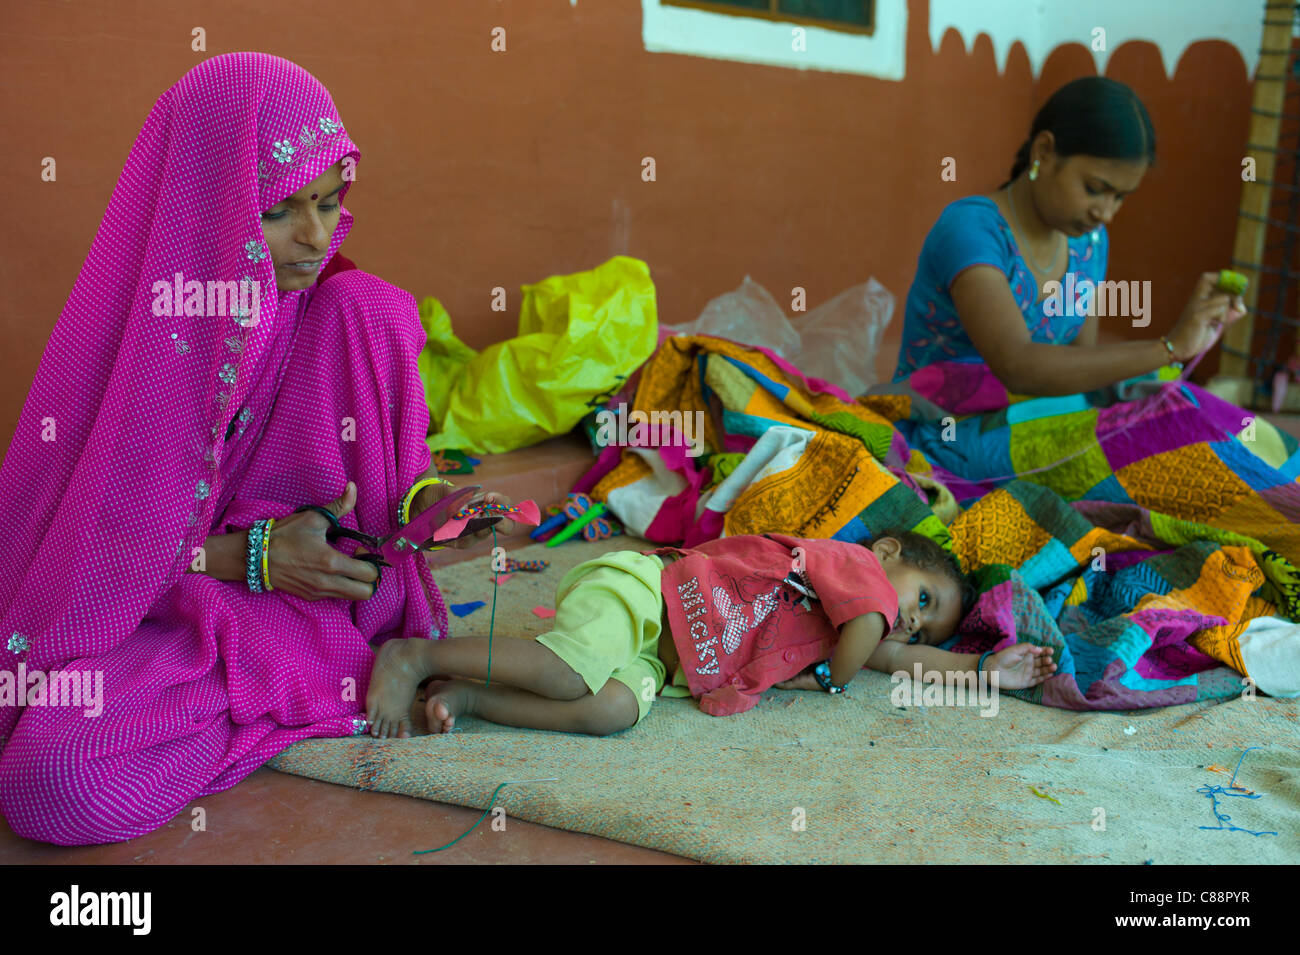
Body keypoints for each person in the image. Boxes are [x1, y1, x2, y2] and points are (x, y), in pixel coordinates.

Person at [0, 52, 506, 846]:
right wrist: (250, 556)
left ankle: (326, 678)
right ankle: (307, 699)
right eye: (278, 210)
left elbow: (386, 509)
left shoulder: (347, 316)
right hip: (172, 608)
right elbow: (95, 566)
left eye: (330, 202)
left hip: (313, 611)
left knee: (53, 780)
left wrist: (431, 514)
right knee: (48, 768)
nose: (314, 236)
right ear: (208, 207)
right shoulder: (156, 327)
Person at [395, 529, 1053, 736]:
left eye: (924, 623)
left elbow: (896, 655)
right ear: (885, 553)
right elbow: (871, 629)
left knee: (611, 711)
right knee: (571, 669)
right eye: (923, 597)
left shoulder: (860, 627)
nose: (909, 620)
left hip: (665, 660)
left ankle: (474, 697)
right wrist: (828, 678)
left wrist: (981, 673)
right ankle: (415, 652)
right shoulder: (850, 566)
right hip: (642, 594)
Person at [894, 76, 1247, 393]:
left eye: (1120, 197)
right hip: (940, 427)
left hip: (1027, 424)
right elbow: (1017, 366)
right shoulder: (973, 230)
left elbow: (1080, 368)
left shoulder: (1088, 243)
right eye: (1094, 188)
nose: (1105, 212)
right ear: (1044, 152)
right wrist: (1168, 349)